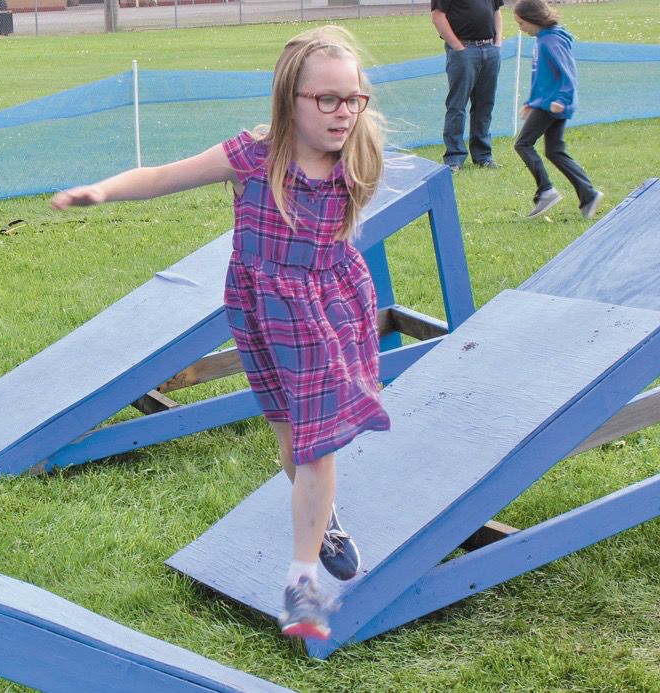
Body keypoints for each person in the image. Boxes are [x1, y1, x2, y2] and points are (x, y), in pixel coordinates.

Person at [51, 25, 391, 641]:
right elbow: (160, 176)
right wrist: (101, 190)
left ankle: (303, 584)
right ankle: (326, 521)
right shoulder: (254, 157)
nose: (345, 113)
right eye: (328, 99)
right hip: (262, 312)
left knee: (315, 446)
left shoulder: (358, 155)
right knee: (291, 442)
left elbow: (340, 235)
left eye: (354, 98)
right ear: (289, 99)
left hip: (327, 310)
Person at [513, 0, 603, 219]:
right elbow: (541, 76)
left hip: (553, 104)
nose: (520, 28)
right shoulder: (542, 39)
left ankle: (546, 191)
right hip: (545, 102)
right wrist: (530, 102)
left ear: (533, 20)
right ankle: (588, 195)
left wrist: (561, 99)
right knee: (554, 150)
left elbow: (568, 73)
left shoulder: (551, 40)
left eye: (521, 23)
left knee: (523, 144)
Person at [431, 0, 505, 171]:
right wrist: (457, 46)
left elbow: (496, 12)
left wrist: (497, 42)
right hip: (464, 51)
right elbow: (437, 17)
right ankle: (454, 159)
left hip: (490, 49)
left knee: (485, 105)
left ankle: (483, 156)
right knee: (457, 105)